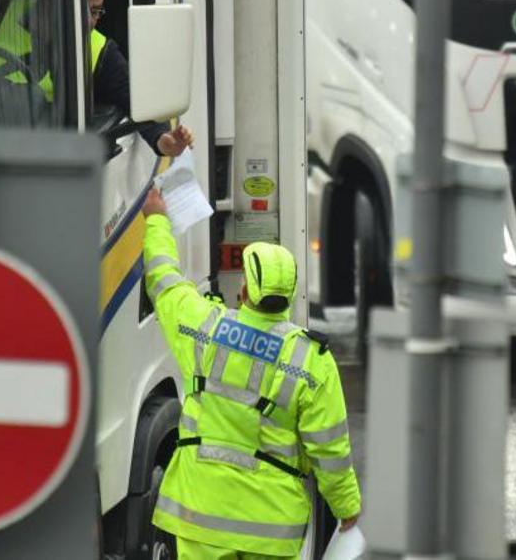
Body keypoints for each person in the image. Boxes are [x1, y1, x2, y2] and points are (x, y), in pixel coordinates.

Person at [141, 188, 362, 560]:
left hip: (200, 513)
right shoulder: (311, 360)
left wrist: (157, 219)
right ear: (290, 294)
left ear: (244, 290)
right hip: (271, 529)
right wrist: (347, 508)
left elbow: (163, 280)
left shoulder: (204, 329)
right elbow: (330, 449)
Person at [87, 0, 184, 156]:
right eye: (85, 7)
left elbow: (136, 100)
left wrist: (163, 140)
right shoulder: (11, 29)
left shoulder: (98, 49)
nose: (90, 20)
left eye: (96, 11)